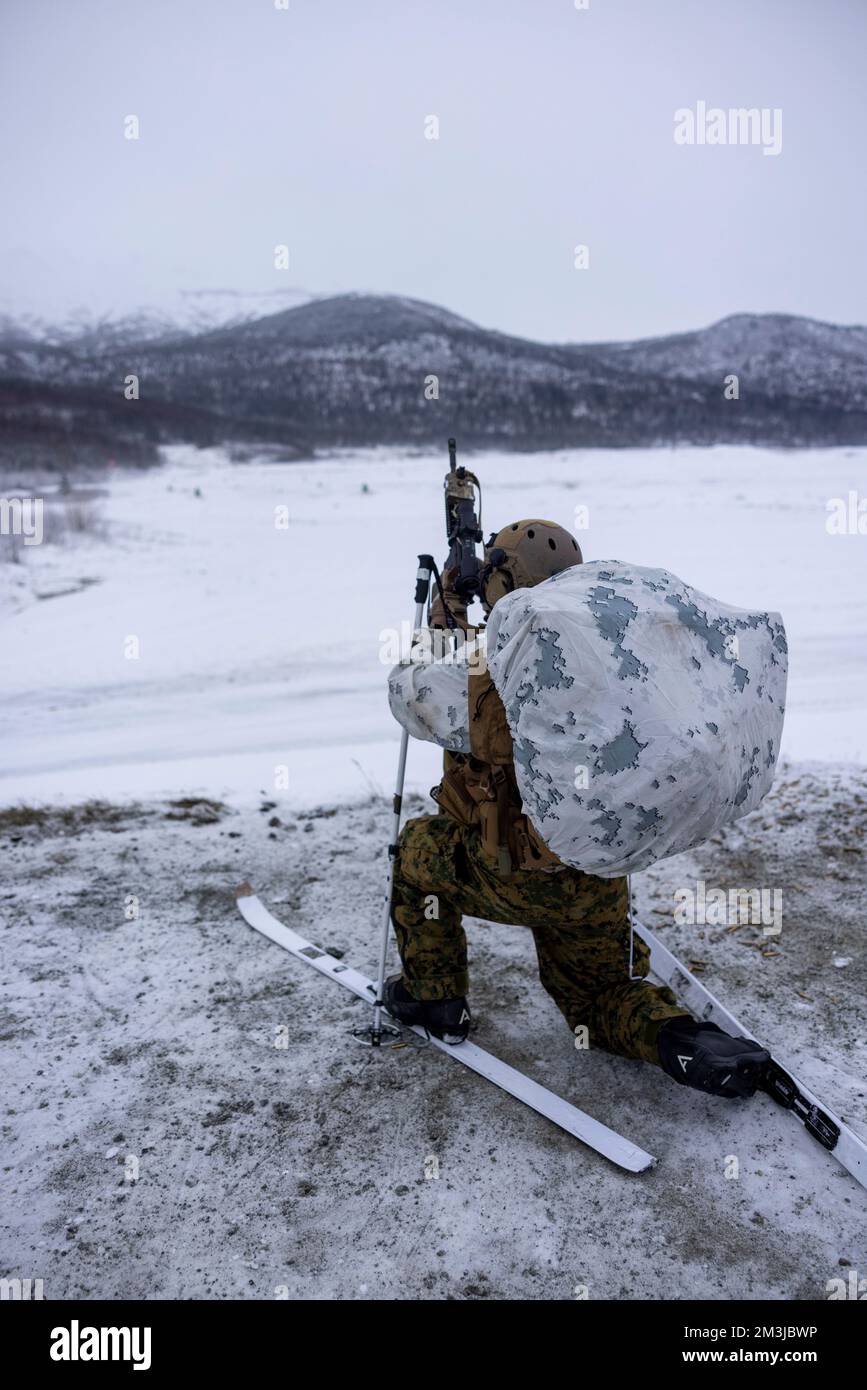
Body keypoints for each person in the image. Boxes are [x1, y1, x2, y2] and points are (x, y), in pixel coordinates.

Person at [384, 519, 769, 1099]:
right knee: (596, 998)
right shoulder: (615, 662)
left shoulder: (496, 673)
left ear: (505, 582)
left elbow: (412, 695)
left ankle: (434, 999)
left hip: (512, 873)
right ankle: (678, 1040)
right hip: (596, 874)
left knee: (417, 849)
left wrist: (444, 617)